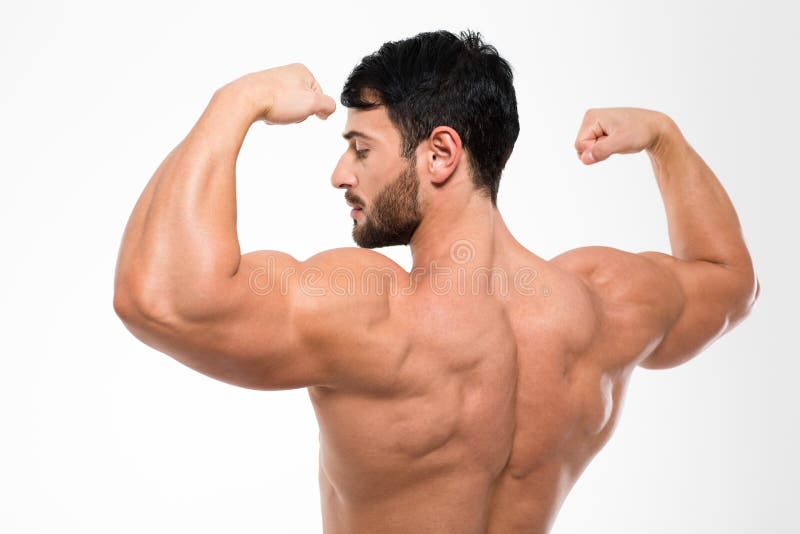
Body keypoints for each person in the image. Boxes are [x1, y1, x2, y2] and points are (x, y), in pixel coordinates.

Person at [113, 30, 760, 533]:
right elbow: (728, 280)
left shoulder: (372, 312)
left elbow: (161, 297)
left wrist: (237, 102)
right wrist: (664, 139)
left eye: (361, 148)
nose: (342, 174)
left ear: (441, 154)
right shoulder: (597, 307)